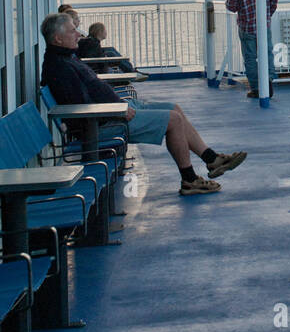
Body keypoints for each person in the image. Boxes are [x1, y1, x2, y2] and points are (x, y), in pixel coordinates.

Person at [40, 12, 247, 196]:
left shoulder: (66, 58)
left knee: (173, 108)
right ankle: (189, 179)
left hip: (116, 109)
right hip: (103, 124)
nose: (79, 34)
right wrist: (118, 111)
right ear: (58, 38)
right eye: (73, 31)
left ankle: (211, 159)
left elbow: (91, 93)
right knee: (173, 120)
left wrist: (119, 104)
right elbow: (82, 107)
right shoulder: (60, 68)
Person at [225, 0, 279, 98]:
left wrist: (240, 8)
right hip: (264, 25)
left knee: (250, 58)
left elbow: (230, 6)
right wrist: (267, 15)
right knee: (267, 54)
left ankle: (256, 88)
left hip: (247, 27)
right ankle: (268, 78)